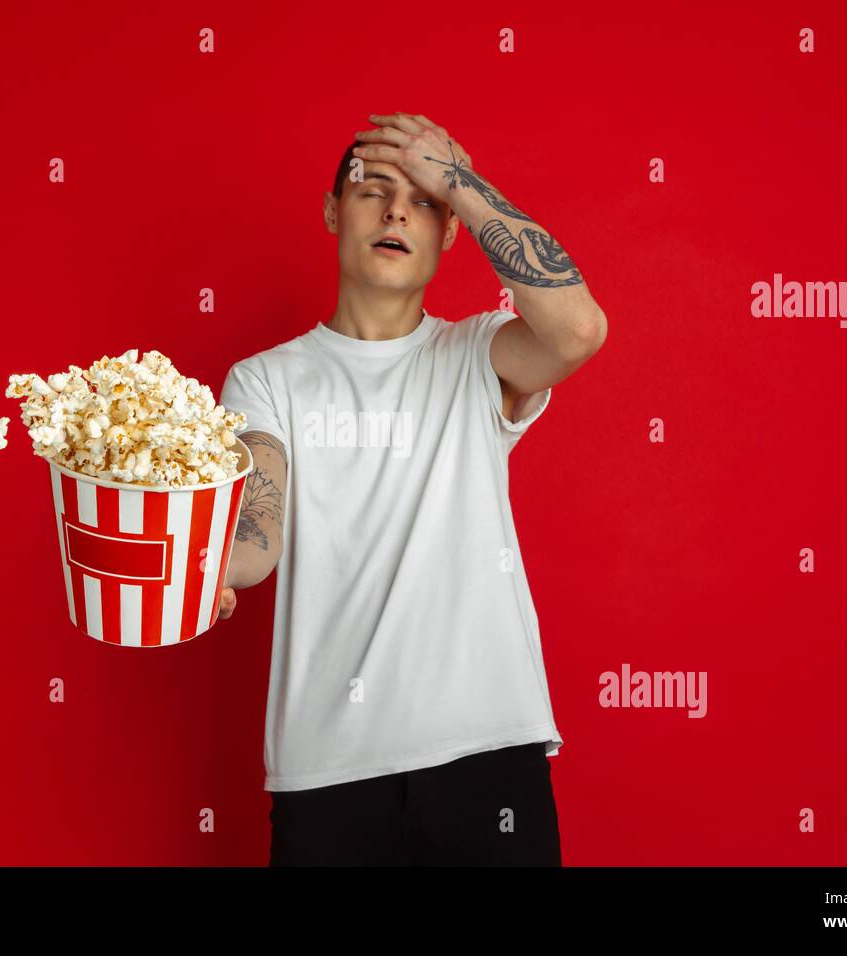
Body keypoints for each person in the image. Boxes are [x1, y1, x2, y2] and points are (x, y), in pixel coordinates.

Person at [215, 112, 608, 866]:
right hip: (328, 778)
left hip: (486, 757)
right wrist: (204, 572)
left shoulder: (477, 355)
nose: (398, 210)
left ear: (450, 228)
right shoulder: (265, 379)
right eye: (372, 189)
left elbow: (578, 330)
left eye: (422, 199)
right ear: (334, 213)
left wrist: (459, 181)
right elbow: (257, 532)